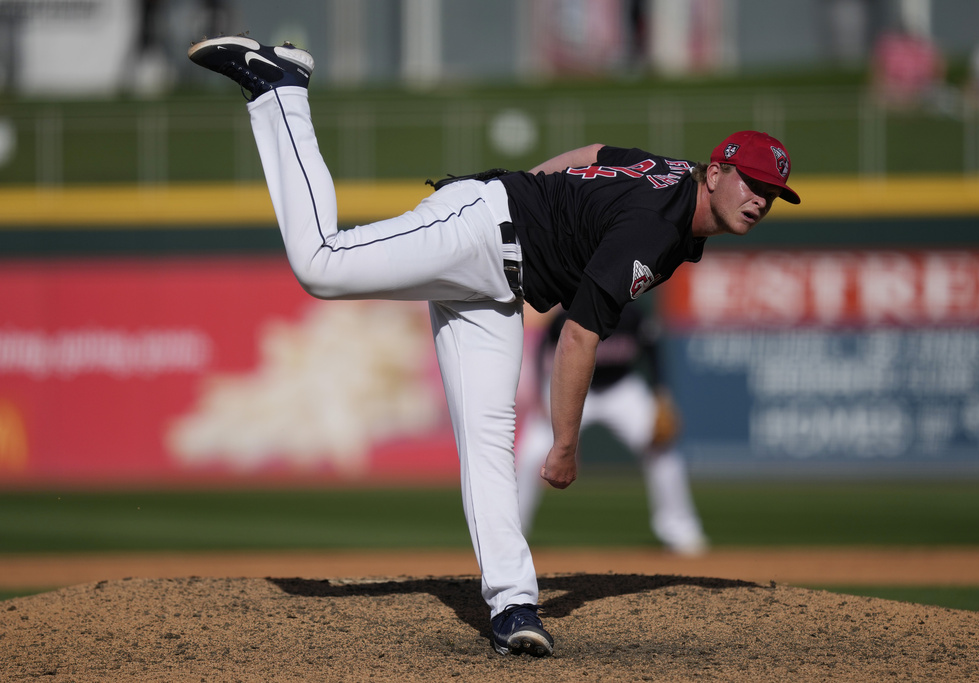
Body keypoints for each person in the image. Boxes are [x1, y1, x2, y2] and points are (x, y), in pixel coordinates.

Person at [187, 35, 800, 658]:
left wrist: (532, 190)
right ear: (716, 172)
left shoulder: (668, 180)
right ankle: (282, 89)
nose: (760, 199)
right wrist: (565, 443)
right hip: (480, 230)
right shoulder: (658, 225)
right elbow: (580, 336)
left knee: (487, 435)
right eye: (750, 182)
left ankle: (513, 605)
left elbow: (591, 152)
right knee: (322, 264)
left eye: (771, 194)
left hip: (501, 281)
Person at [516, 305, 708, 555]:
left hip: (621, 389)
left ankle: (682, 531)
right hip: (570, 388)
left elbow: (653, 352)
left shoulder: (631, 315)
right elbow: (543, 348)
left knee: (662, 451)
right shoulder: (569, 313)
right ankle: (513, 533)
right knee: (531, 454)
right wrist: (541, 392)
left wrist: (662, 394)